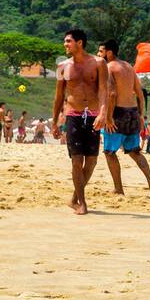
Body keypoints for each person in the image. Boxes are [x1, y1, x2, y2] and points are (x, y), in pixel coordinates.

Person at [51, 28, 106, 215]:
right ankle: (82, 203)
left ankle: (74, 197)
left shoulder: (99, 63)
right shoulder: (62, 66)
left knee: (91, 161)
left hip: (93, 115)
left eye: (68, 41)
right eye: (65, 41)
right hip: (73, 115)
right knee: (76, 160)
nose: (65, 44)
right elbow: (59, 96)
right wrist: (54, 122)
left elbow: (103, 90)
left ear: (79, 42)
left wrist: (103, 113)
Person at [97, 39, 150, 198]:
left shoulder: (109, 67)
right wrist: (140, 115)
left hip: (117, 112)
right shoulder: (129, 67)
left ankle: (118, 188)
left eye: (101, 52)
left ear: (109, 52)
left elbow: (111, 94)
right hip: (132, 112)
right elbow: (139, 93)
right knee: (135, 152)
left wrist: (109, 117)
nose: (99, 55)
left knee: (109, 152)